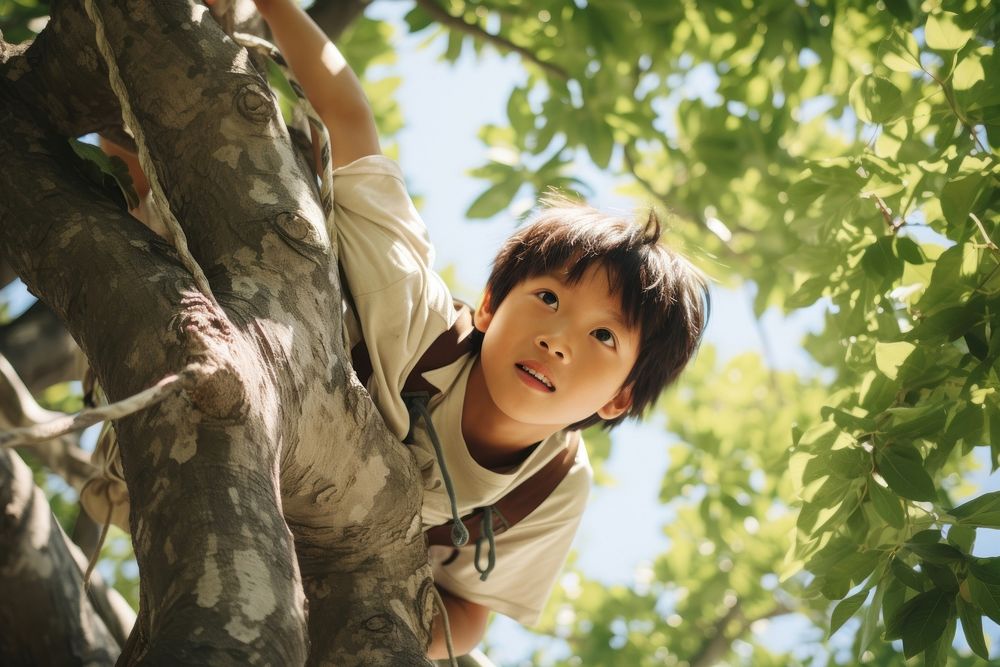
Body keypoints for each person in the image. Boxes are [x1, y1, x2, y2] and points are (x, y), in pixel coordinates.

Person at [86, 0, 710, 659]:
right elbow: (350, 121)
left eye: (604, 337)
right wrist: (269, 6)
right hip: (204, 434)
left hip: (312, 590)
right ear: (492, 303)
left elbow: (472, 610)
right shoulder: (408, 303)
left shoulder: (551, 486)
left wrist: (378, 632)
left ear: (619, 398)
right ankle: (129, 157)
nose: (559, 337)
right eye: (549, 296)